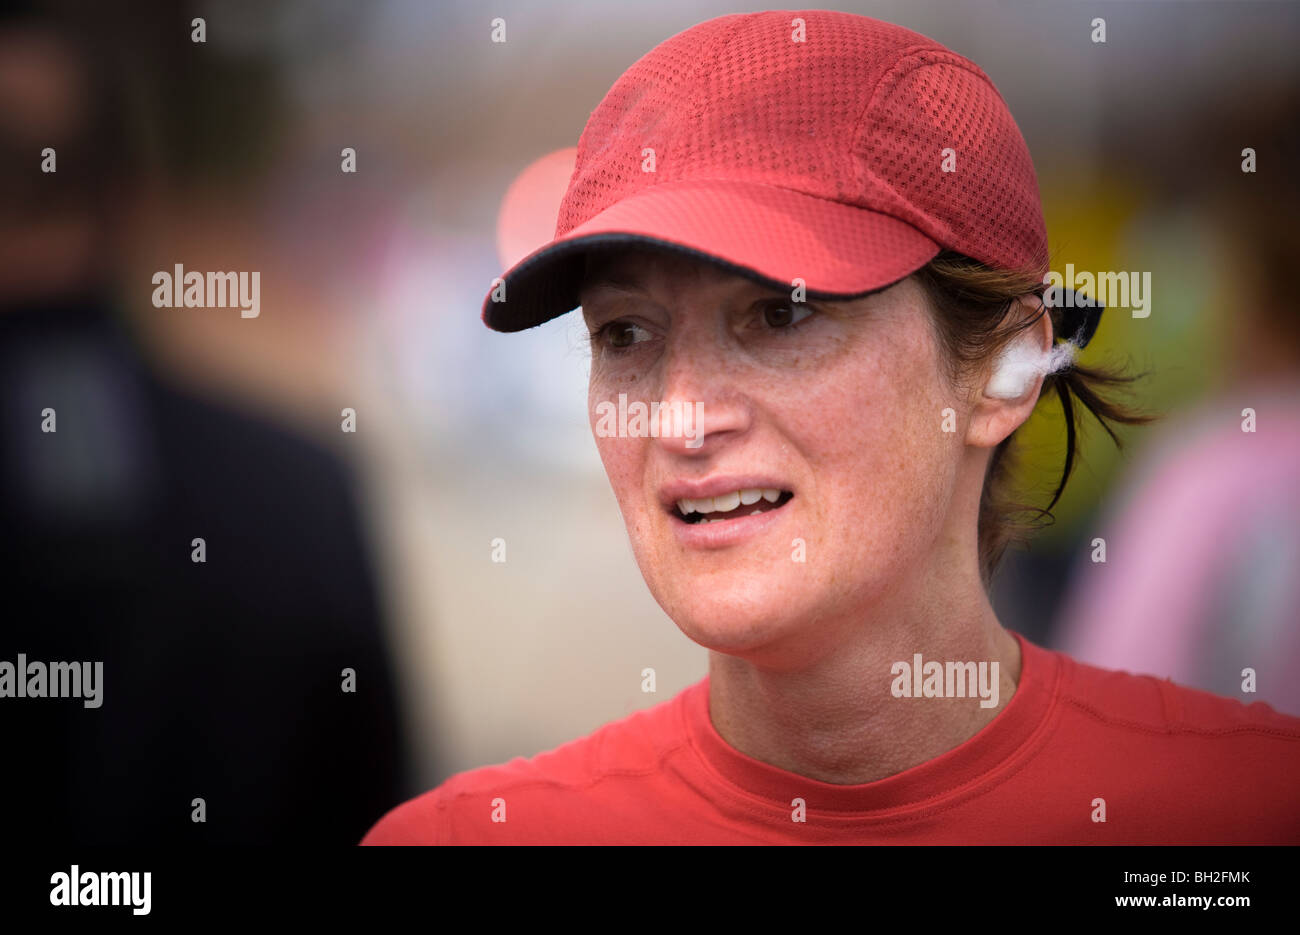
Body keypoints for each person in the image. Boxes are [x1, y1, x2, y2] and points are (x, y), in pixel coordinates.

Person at [363, 10, 1300, 844]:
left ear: (1008, 367)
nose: (683, 415)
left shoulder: (1247, 811)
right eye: (627, 333)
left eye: (781, 316)